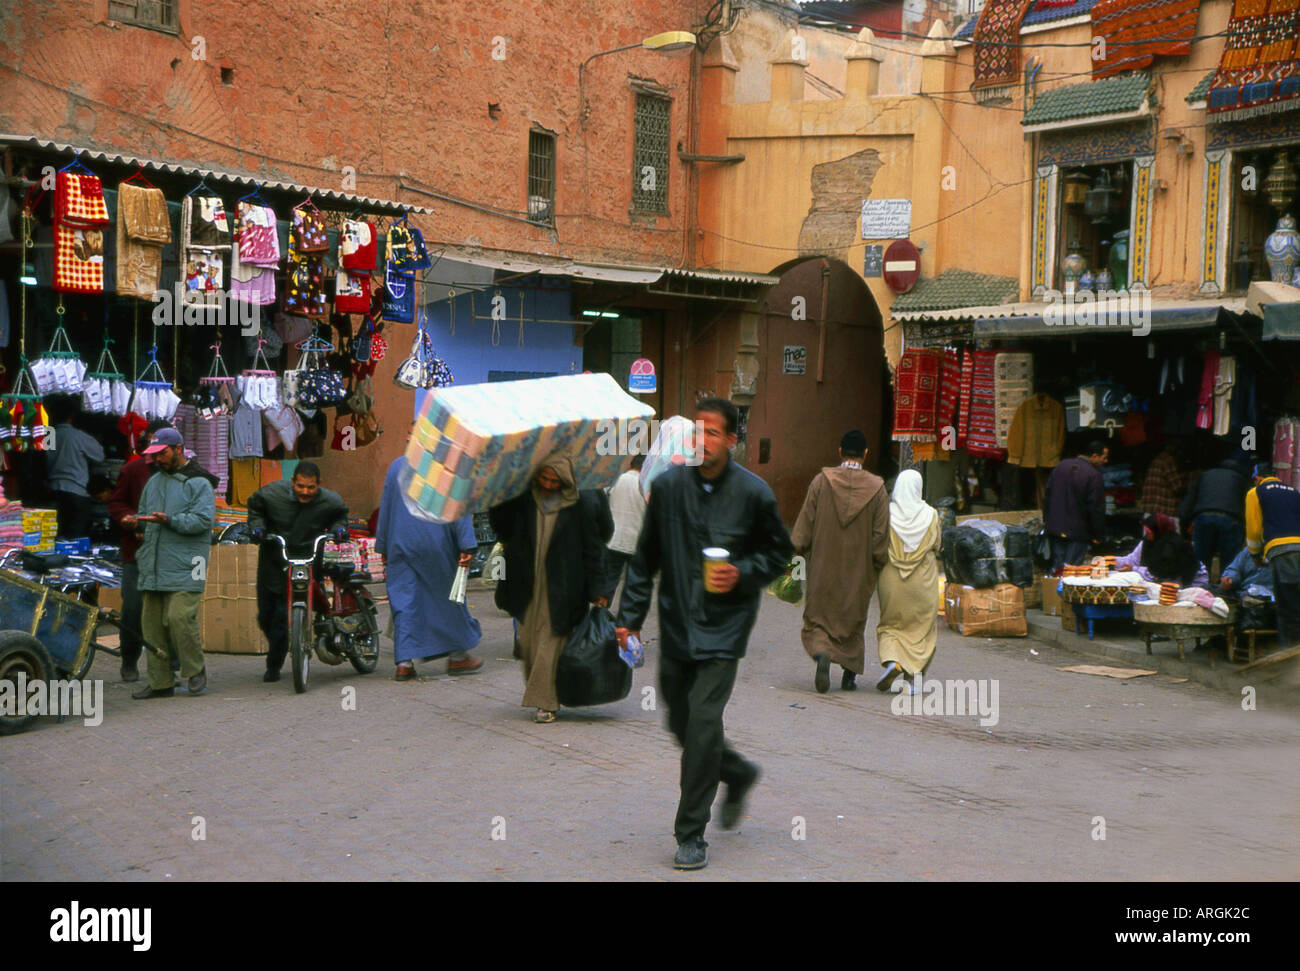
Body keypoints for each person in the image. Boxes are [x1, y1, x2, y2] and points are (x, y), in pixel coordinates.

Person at [616, 398, 794, 871]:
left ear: (732, 440)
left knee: (700, 725)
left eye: (713, 433)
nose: (703, 440)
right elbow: (644, 559)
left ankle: (690, 833)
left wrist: (742, 572)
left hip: (724, 631)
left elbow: (780, 555)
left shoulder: (754, 495)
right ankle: (737, 772)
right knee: (680, 723)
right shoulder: (670, 487)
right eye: (698, 431)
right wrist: (628, 617)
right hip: (676, 626)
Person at [489, 451, 612, 723]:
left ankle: (546, 702)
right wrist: (500, 493)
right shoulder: (522, 498)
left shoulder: (582, 502)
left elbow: (595, 548)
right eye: (543, 479)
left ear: (565, 480)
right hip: (525, 585)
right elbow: (502, 529)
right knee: (530, 644)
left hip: (564, 588)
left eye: (554, 481)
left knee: (550, 640)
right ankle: (547, 691)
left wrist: (600, 590)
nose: (547, 485)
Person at [790, 429, 888, 693]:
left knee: (820, 616)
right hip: (859, 570)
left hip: (823, 566)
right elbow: (880, 537)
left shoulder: (821, 482)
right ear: (865, 454)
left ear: (840, 452)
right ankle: (849, 675)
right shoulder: (877, 490)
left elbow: (804, 526)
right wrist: (879, 562)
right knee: (853, 619)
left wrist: (795, 552)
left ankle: (822, 652)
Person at [374, 453, 483, 680]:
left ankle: (404, 663)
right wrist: (467, 545)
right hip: (436, 541)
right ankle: (457, 656)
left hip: (400, 541)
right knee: (446, 598)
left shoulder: (396, 466)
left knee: (404, 601)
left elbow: (386, 505)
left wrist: (383, 544)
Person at [131, 428, 215, 699]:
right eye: (154, 455)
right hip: (155, 563)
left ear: (179, 449)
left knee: (179, 617)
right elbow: (145, 516)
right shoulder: (153, 483)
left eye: (162, 453)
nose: (158, 459)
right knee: (151, 625)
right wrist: (136, 523)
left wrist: (170, 520)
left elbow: (203, 522)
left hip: (191, 563)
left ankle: (195, 670)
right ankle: (160, 682)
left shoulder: (199, 483)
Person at [247, 462, 350, 683]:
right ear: (292, 481)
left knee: (282, 619)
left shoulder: (330, 500)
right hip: (276, 559)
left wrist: (339, 530)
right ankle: (282, 645)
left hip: (309, 558)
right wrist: (257, 528)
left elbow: (340, 517)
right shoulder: (271, 494)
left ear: (319, 485)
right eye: (300, 486)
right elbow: (255, 509)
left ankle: (274, 665)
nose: (305, 492)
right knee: (266, 615)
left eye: (311, 488)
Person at [107, 418, 171, 682]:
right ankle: (129, 660)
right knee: (133, 608)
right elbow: (116, 503)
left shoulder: (183, 472)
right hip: (137, 552)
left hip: (169, 553)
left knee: (170, 611)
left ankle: (170, 662)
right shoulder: (133, 470)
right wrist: (127, 518)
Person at [874, 469, 942, 692]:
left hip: (891, 578)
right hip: (922, 579)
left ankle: (894, 661)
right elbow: (937, 545)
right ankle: (911, 680)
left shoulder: (887, 513)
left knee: (891, 625)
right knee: (922, 629)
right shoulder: (931, 514)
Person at [1245, 464, 1300, 647]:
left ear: (1257, 478)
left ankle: (1290, 655)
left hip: (1282, 551)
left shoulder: (1256, 491)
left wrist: (1255, 555)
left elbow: (1253, 530)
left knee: (1287, 607)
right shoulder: (1294, 492)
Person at [1043, 440, 1108, 571]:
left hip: (1055, 527)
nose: (1105, 461)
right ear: (1094, 456)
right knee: (1071, 571)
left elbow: (1047, 496)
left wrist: (1047, 520)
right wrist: (1098, 535)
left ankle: (1054, 590)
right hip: (1078, 532)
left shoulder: (1061, 466)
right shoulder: (1094, 475)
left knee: (1058, 568)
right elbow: (1095, 508)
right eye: (1104, 457)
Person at [1180, 457, 1248, 578]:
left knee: (1201, 559)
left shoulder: (1204, 475)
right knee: (1229, 561)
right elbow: (1246, 503)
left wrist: (1184, 526)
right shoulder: (1240, 479)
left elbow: (1189, 502)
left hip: (1203, 517)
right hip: (1231, 519)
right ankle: (1226, 588)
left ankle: (1200, 585)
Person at [46, 406, 105, 539]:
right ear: (72, 417)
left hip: (54, 489)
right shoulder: (78, 436)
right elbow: (100, 456)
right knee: (76, 535)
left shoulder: (49, 435)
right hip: (76, 489)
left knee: (56, 533)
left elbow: (44, 459)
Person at [1114, 513, 1209, 586]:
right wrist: (1112, 561)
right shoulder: (1148, 542)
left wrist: (1135, 569)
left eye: (1149, 532)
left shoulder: (1172, 546)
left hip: (1192, 582)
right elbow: (1132, 560)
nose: (1146, 535)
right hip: (1168, 581)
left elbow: (1160, 573)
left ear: (1158, 530)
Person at [604, 454, 646, 606]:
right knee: (633, 585)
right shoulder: (646, 485)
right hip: (636, 542)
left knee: (609, 579)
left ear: (630, 465)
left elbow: (604, 498)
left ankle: (601, 614)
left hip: (613, 539)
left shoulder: (616, 479)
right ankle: (626, 621)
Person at [1138, 440, 1185, 519]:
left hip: (1149, 511)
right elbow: (1177, 487)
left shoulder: (1156, 461)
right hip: (1164, 512)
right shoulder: (1167, 460)